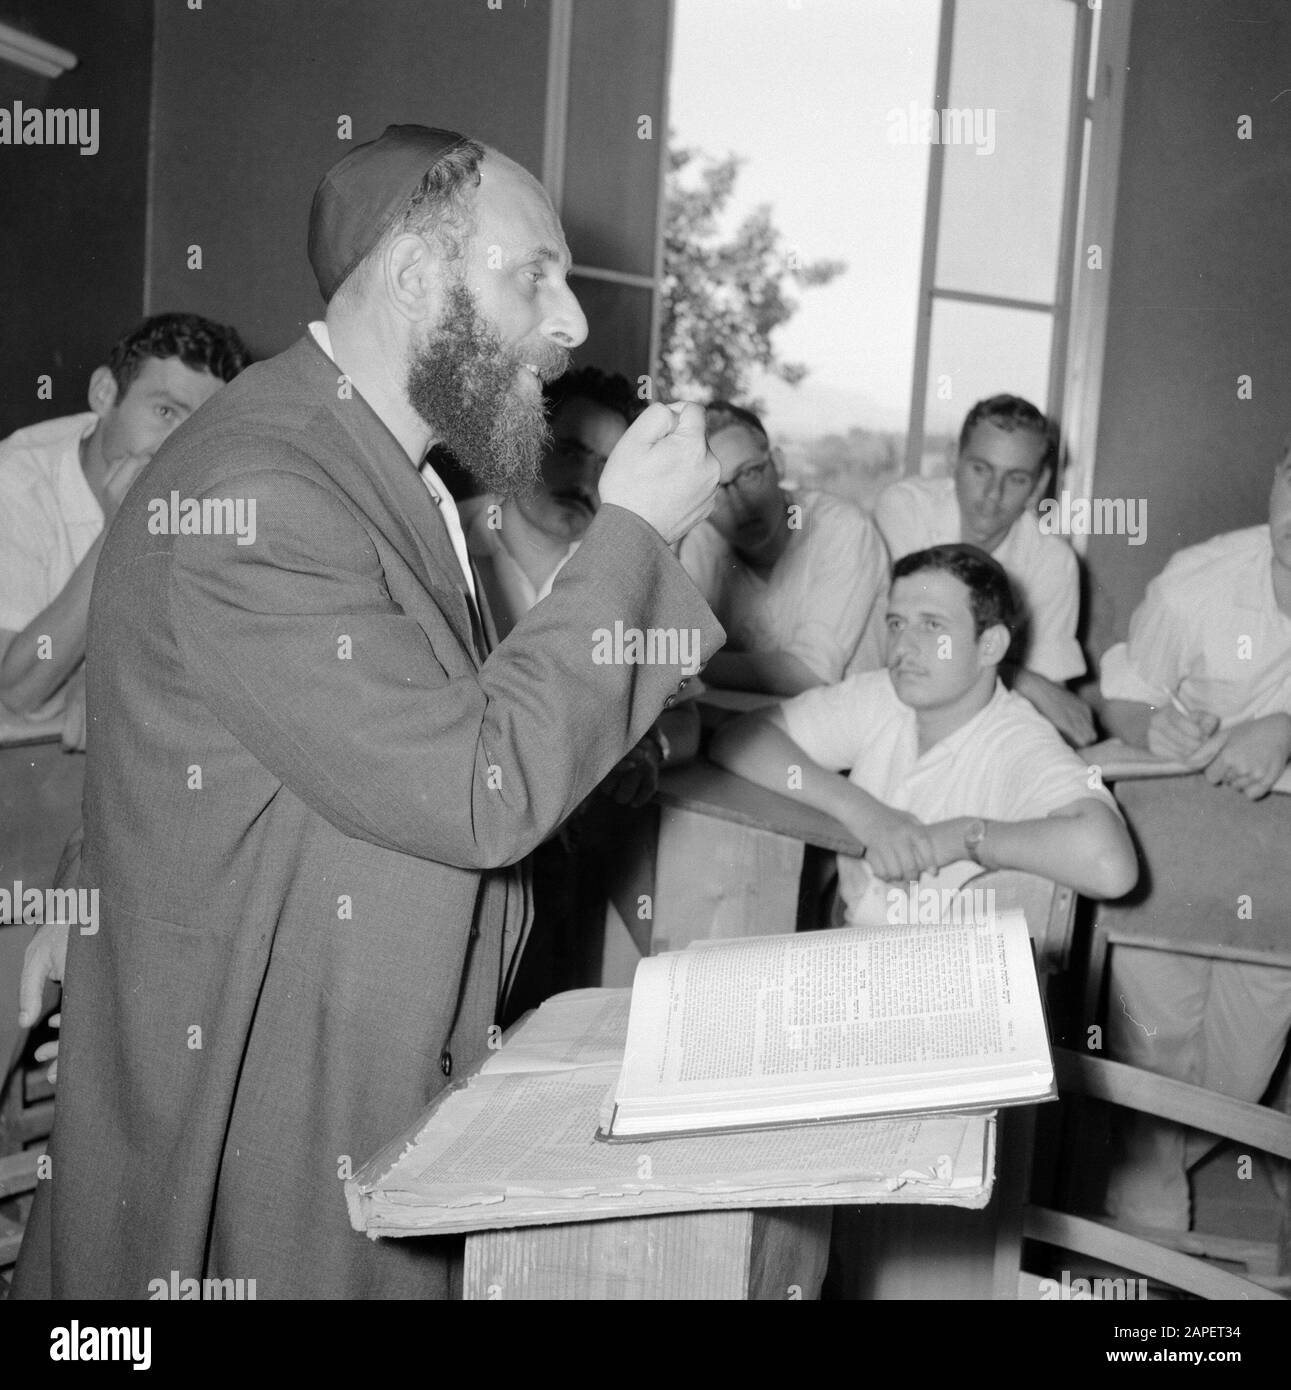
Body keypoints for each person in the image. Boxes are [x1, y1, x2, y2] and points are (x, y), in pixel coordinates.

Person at [13, 124, 721, 1300]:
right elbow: (477, 784)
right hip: (273, 1074)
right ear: (410, 278)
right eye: (529, 275)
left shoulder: (372, 463)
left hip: (352, 1024)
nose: (573, 324)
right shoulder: (263, 487)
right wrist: (632, 538)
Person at [710, 543, 1136, 927]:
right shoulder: (884, 694)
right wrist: (866, 814)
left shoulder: (1018, 739)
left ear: (990, 646)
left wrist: (960, 838)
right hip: (851, 936)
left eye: (932, 626)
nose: (903, 648)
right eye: (897, 624)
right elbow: (740, 739)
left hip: (941, 974)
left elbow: (1111, 866)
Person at [1096, 437, 1291, 1229]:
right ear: (1277, 479)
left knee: (1243, 1059)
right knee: (1153, 1036)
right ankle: (1145, 1210)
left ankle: (1168, 1157)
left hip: (1280, 866)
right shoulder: (1199, 579)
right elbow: (1119, 698)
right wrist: (1153, 727)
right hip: (1172, 845)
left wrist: (1286, 727)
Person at [0, 313, 251, 748]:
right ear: (104, 393)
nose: (180, 443)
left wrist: (95, 676)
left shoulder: (215, 480)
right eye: (165, 411)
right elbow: (15, 693)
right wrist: (119, 532)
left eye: (201, 423)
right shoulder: (15, 484)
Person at [874, 394, 1094, 746]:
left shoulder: (1053, 561)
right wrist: (1020, 676)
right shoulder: (906, 509)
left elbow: (1056, 704)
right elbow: (906, 649)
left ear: (1039, 485)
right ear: (952, 460)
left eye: (1017, 478)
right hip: (887, 705)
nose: (993, 494)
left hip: (983, 730)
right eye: (980, 469)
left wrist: (1019, 680)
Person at [679, 401, 890, 696]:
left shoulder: (841, 527)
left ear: (777, 463)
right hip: (738, 727)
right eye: (713, 489)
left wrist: (679, 664)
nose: (740, 504)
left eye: (749, 474)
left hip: (850, 733)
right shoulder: (703, 540)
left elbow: (808, 674)